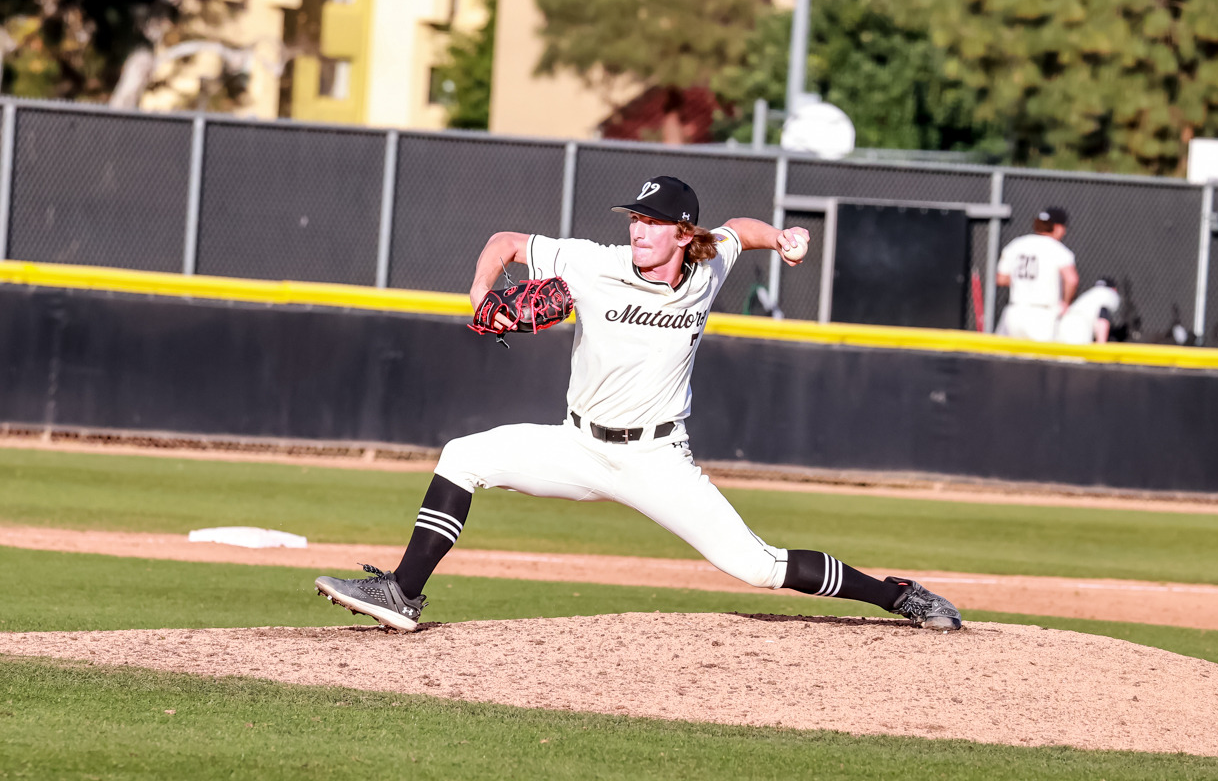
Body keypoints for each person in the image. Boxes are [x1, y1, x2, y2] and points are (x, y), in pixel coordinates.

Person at [313, 175, 964, 632]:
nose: (639, 229)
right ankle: (402, 592)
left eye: (652, 221)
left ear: (685, 233)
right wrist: (480, 292)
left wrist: (785, 238)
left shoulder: (707, 267)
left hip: (656, 458)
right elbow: (507, 240)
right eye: (635, 218)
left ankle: (894, 593)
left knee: (757, 566)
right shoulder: (594, 263)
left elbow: (741, 230)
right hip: (577, 445)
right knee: (464, 457)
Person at [995, 206, 1078, 341]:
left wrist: (1026, 281)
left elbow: (1001, 279)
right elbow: (1071, 280)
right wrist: (1065, 303)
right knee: (1042, 359)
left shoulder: (1016, 244)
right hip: (1042, 314)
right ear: (1057, 227)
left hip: (1015, 311)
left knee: (1008, 358)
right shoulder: (1058, 249)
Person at [1055, 277, 1121, 345]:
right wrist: (1101, 346)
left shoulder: (1089, 295)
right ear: (1114, 289)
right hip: (1079, 326)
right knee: (1080, 354)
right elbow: (1102, 320)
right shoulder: (1109, 294)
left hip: (1063, 322)